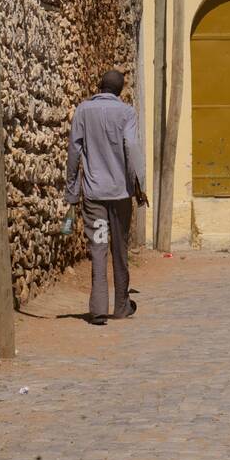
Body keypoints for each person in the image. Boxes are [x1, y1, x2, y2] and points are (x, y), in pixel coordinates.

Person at [65, 69, 148, 325]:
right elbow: (131, 147)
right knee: (120, 249)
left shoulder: (83, 111)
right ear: (120, 90)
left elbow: (74, 152)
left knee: (98, 247)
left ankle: (98, 307)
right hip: (120, 195)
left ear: (99, 86)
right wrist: (139, 186)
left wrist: (71, 191)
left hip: (94, 196)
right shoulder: (126, 113)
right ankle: (121, 305)